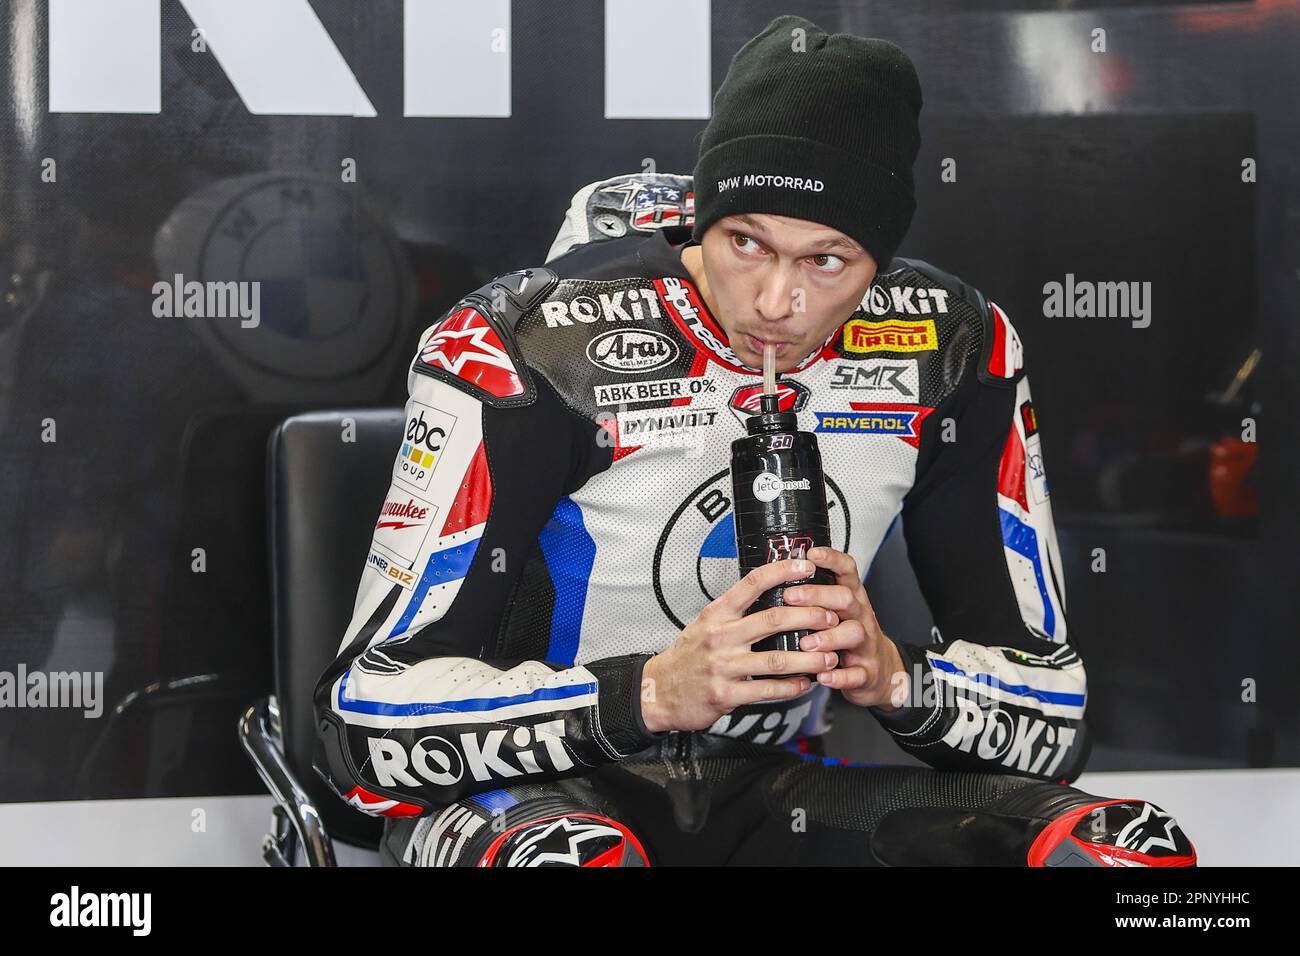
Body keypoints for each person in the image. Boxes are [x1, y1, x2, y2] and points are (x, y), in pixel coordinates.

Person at [312, 15, 1197, 867]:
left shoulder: (954, 344)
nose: (777, 302)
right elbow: (357, 732)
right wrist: (649, 692)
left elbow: (1058, 724)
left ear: (879, 260)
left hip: (773, 792)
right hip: (531, 799)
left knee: (1130, 853)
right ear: (704, 219)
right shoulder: (525, 341)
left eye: (827, 260)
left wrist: (896, 678)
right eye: (746, 243)